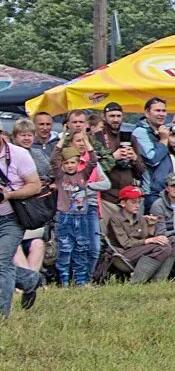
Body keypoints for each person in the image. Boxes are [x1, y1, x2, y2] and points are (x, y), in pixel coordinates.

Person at [54, 112, 109, 287]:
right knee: (66, 249)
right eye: (78, 141)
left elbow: (102, 178)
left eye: (83, 141)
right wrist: (62, 139)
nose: (71, 165)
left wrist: (86, 187)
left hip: (86, 210)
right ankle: (64, 281)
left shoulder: (85, 170)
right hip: (65, 214)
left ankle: (83, 281)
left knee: (88, 248)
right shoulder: (61, 171)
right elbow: (54, 160)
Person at [0, 125, 48, 318]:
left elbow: (35, 185)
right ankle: (30, 280)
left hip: (12, 217)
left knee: (1, 262)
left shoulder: (19, 155)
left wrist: (9, 194)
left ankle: (3, 316)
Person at [131, 97, 175, 211]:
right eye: (157, 110)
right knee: (157, 228)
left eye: (163, 111)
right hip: (154, 193)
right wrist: (163, 140)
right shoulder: (140, 132)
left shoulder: (166, 130)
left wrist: (174, 144)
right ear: (147, 112)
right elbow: (152, 159)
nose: (161, 114)